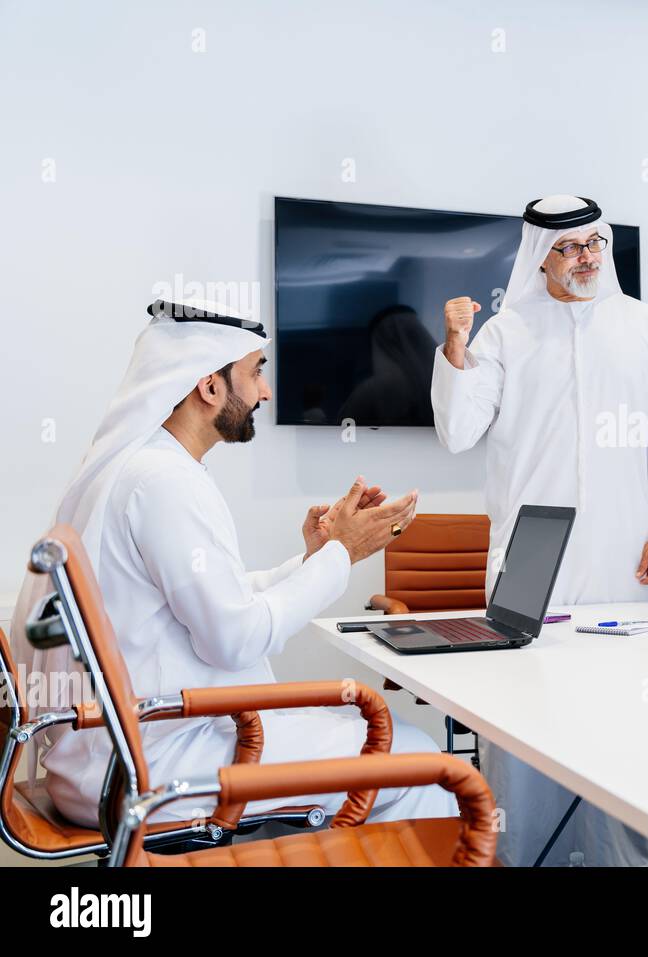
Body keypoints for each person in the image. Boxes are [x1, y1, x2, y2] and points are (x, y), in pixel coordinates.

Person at [11, 298, 457, 827]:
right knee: (423, 759)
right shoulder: (164, 482)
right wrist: (343, 553)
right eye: (256, 372)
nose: (266, 391)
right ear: (210, 386)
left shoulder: (145, 468)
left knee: (388, 743)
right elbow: (234, 638)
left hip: (114, 750)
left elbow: (218, 599)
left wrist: (315, 556)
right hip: (148, 761)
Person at [432, 194, 648, 865]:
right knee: (525, 741)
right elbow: (459, 430)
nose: (584, 259)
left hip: (622, 563)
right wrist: (455, 347)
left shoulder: (643, 325)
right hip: (531, 574)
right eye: (569, 248)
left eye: (593, 245)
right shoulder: (505, 331)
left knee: (626, 736)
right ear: (540, 256)